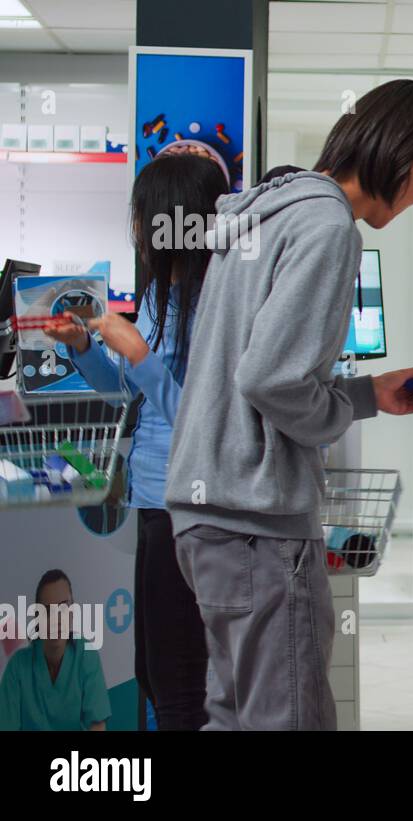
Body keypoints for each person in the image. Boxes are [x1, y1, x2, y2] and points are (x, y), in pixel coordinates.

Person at [162, 79, 413, 730]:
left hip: (204, 516)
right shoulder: (328, 226)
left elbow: (253, 366)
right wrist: (337, 412)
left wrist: (364, 394)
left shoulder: (265, 210)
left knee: (231, 713)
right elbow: (269, 380)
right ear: (409, 158)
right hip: (258, 523)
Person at [48, 152, 228, 731]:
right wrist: (85, 350)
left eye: (142, 214)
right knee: (150, 671)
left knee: (180, 684)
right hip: (152, 504)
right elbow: (127, 393)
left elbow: (206, 420)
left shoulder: (217, 307)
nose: (134, 226)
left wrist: (142, 356)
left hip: (191, 509)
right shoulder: (157, 296)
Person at [0, 570, 111, 731]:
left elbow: (97, 724)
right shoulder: (17, 668)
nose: (57, 619)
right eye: (48, 611)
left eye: (63, 607)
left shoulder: (86, 655)